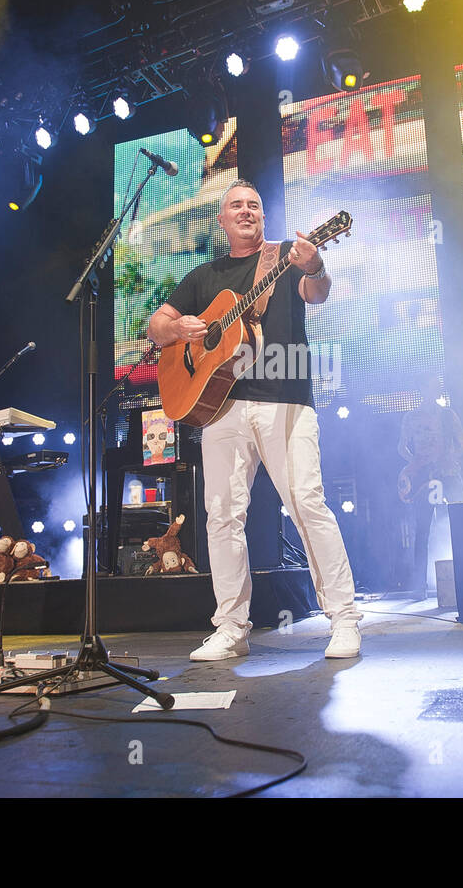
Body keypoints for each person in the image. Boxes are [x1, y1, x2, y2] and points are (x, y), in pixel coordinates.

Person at [147, 179, 361, 660]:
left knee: (306, 502)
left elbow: (317, 293)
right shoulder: (204, 275)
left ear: (263, 217)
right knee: (221, 516)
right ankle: (230, 627)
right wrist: (178, 326)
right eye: (236, 206)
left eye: (254, 206)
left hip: (284, 396)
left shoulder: (288, 255)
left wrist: (317, 263)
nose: (246, 211)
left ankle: (344, 619)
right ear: (222, 219)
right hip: (220, 405)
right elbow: (157, 325)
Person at [397, 372, 463, 595]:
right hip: (425, 480)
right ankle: (419, 586)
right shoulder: (411, 417)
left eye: (438, 386)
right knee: (422, 531)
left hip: (449, 473)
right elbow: (401, 447)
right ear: (422, 389)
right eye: (432, 386)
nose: (436, 390)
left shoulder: (448, 415)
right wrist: (415, 464)